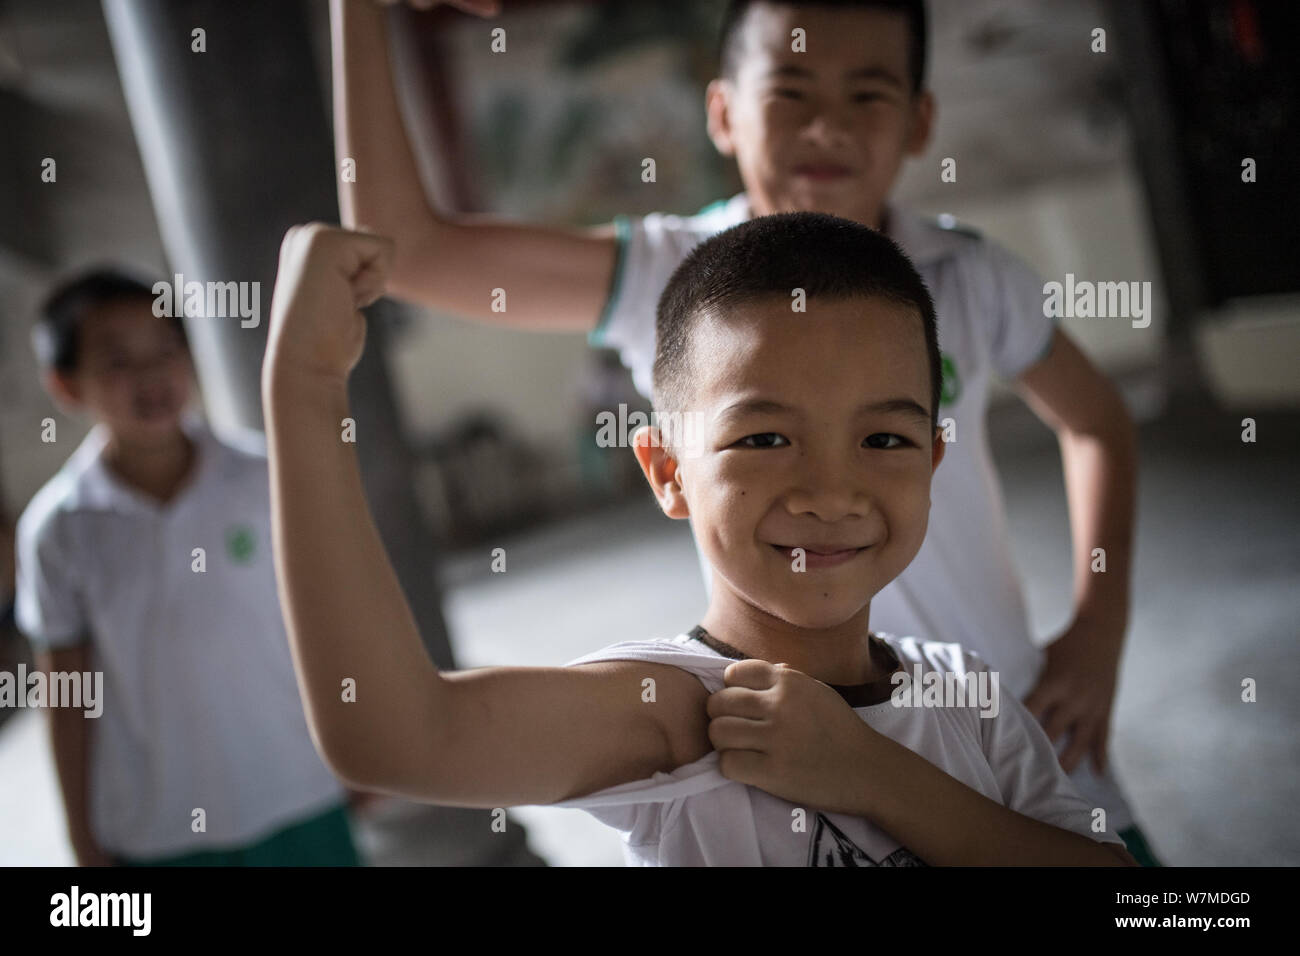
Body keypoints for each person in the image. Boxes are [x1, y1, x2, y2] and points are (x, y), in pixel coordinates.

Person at [333, 0, 1158, 863]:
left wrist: (1097, 633)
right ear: (723, 111)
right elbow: (406, 250)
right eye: (791, 89)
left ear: (919, 122)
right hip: (788, 728)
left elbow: (1098, 419)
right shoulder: (683, 277)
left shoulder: (970, 274)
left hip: (1005, 732)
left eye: (867, 93)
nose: (827, 124)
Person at [261, 213, 1137, 866]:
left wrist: (871, 775)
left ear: (934, 460)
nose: (831, 492)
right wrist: (303, 389)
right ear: (668, 471)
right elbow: (391, 732)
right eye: (762, 438)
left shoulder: (966, 692)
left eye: (884, 439)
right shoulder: (679, 713)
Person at [13, 269, 360, 866]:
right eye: (118, 361)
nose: (150, 377)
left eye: (165, 351)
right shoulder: (61, 529)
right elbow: (66, 691)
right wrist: (81, 833)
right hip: (163, 828)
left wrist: (365, 745)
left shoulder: (261, 477)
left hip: (300, 788)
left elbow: (331, 622)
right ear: (66, 386)